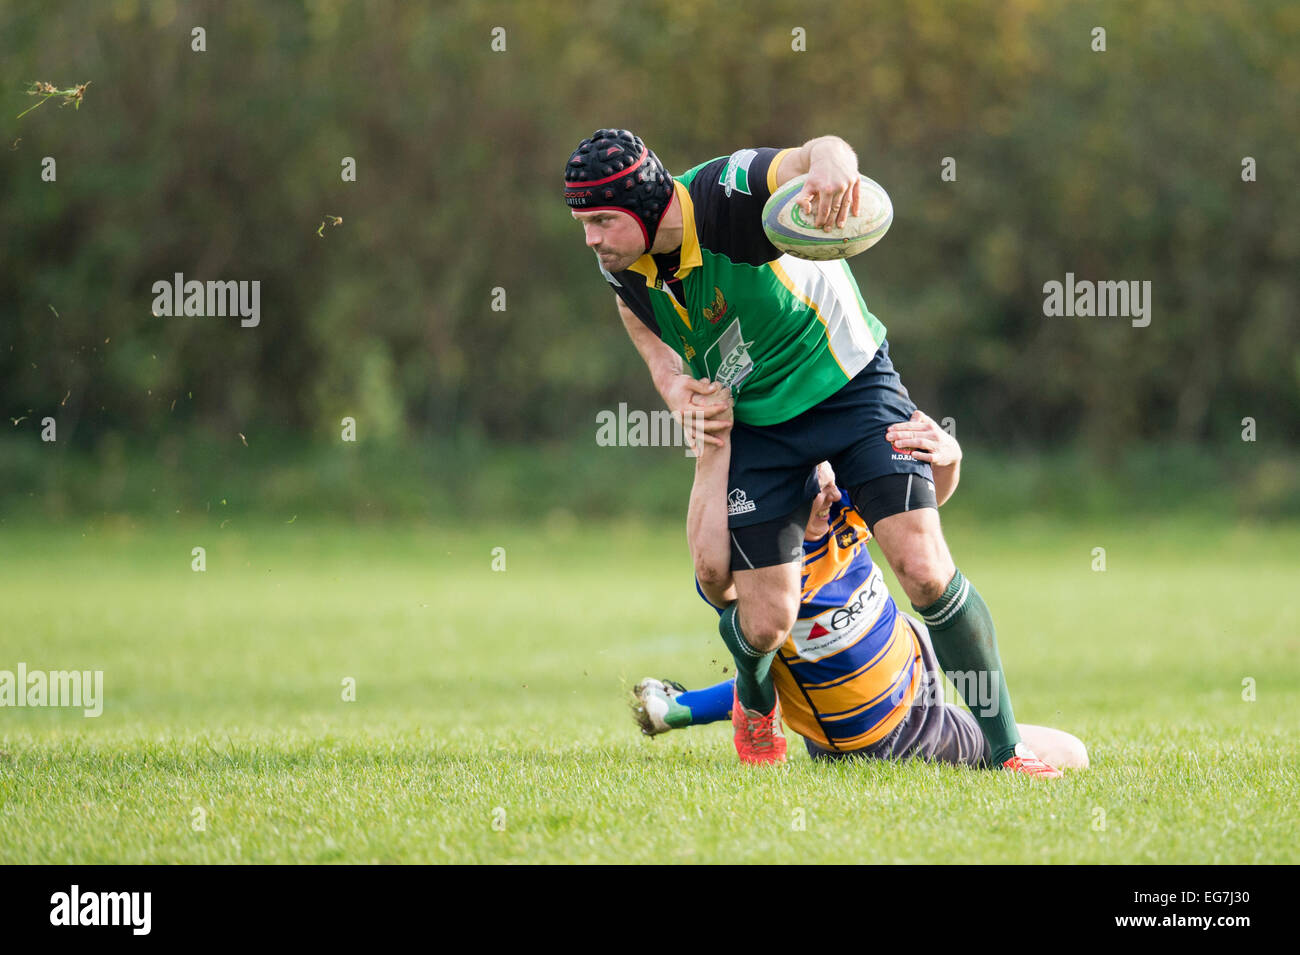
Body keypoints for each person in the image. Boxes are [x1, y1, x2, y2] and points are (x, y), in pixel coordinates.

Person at [565, 128, 1040, 769]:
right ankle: (754, 707)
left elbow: (826, 149)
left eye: (600, 220)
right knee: (761, 622)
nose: (591, 238)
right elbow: (635, 314)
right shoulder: (623, 262)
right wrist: (671, 382)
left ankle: (1009, 753)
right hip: (760, 420)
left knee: (925, 570)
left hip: (851, 385)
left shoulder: (724, 194)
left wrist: (830, 173)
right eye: (583, 223)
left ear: (647, 203)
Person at [633, 401, 1086, 775]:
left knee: (892, 625)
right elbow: (713, 577)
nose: (831, 491)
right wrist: (710, 454)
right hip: (909, 732)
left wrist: (950, 458)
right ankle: (683, 709)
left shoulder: (843, 511)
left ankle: (681, 708)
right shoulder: (764, 574)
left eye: (831, 477)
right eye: (818, 484)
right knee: (1072, 752)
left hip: (908, 675)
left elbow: (924, 510)